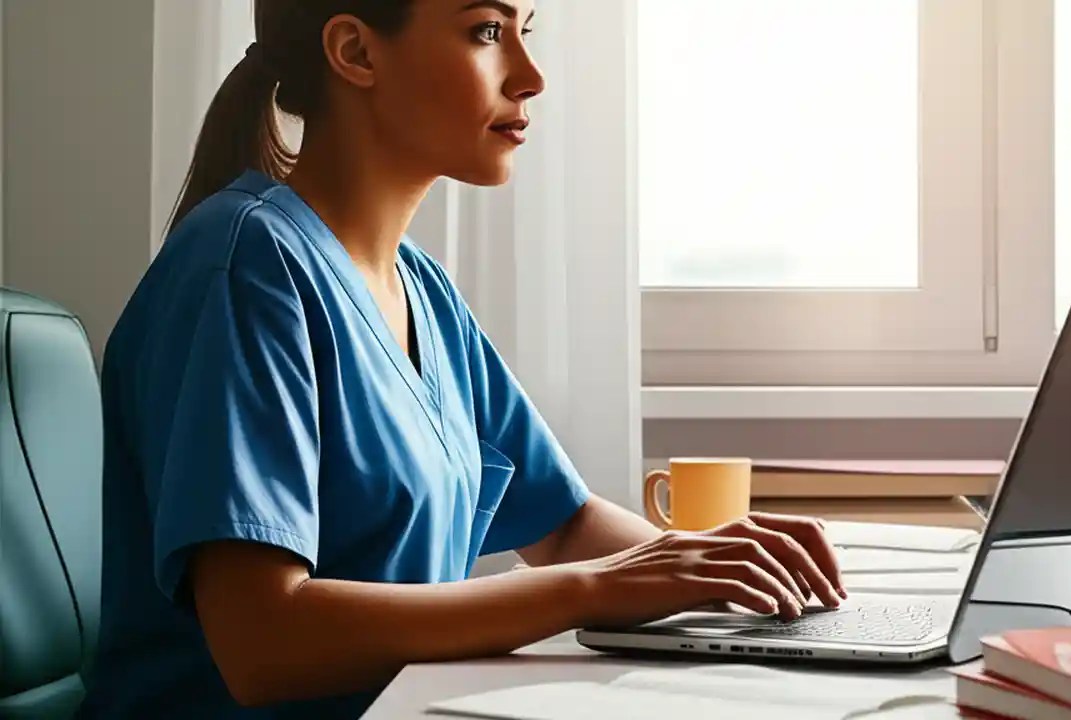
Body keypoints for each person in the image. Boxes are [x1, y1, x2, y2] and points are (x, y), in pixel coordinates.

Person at [77, 1, 848, 717]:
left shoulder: (423, 288)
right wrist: (586, 592)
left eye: (527, 30)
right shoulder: (246, 266)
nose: (530, 74)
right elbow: (263, 642)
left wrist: (724, 564)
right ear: (355, 51)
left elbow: (566, 522)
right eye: (487, 31)